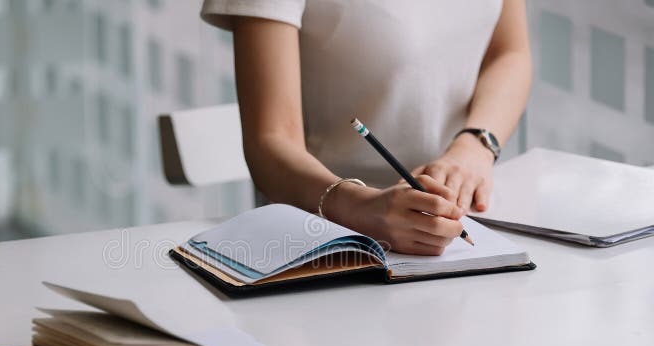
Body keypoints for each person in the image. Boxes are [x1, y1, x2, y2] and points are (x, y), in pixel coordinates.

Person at [201, 0, 531, 255]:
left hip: (471, 218)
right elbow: (270, 141)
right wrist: (358, 206)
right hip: (328, 237)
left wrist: (474, 146)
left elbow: (508, 52)